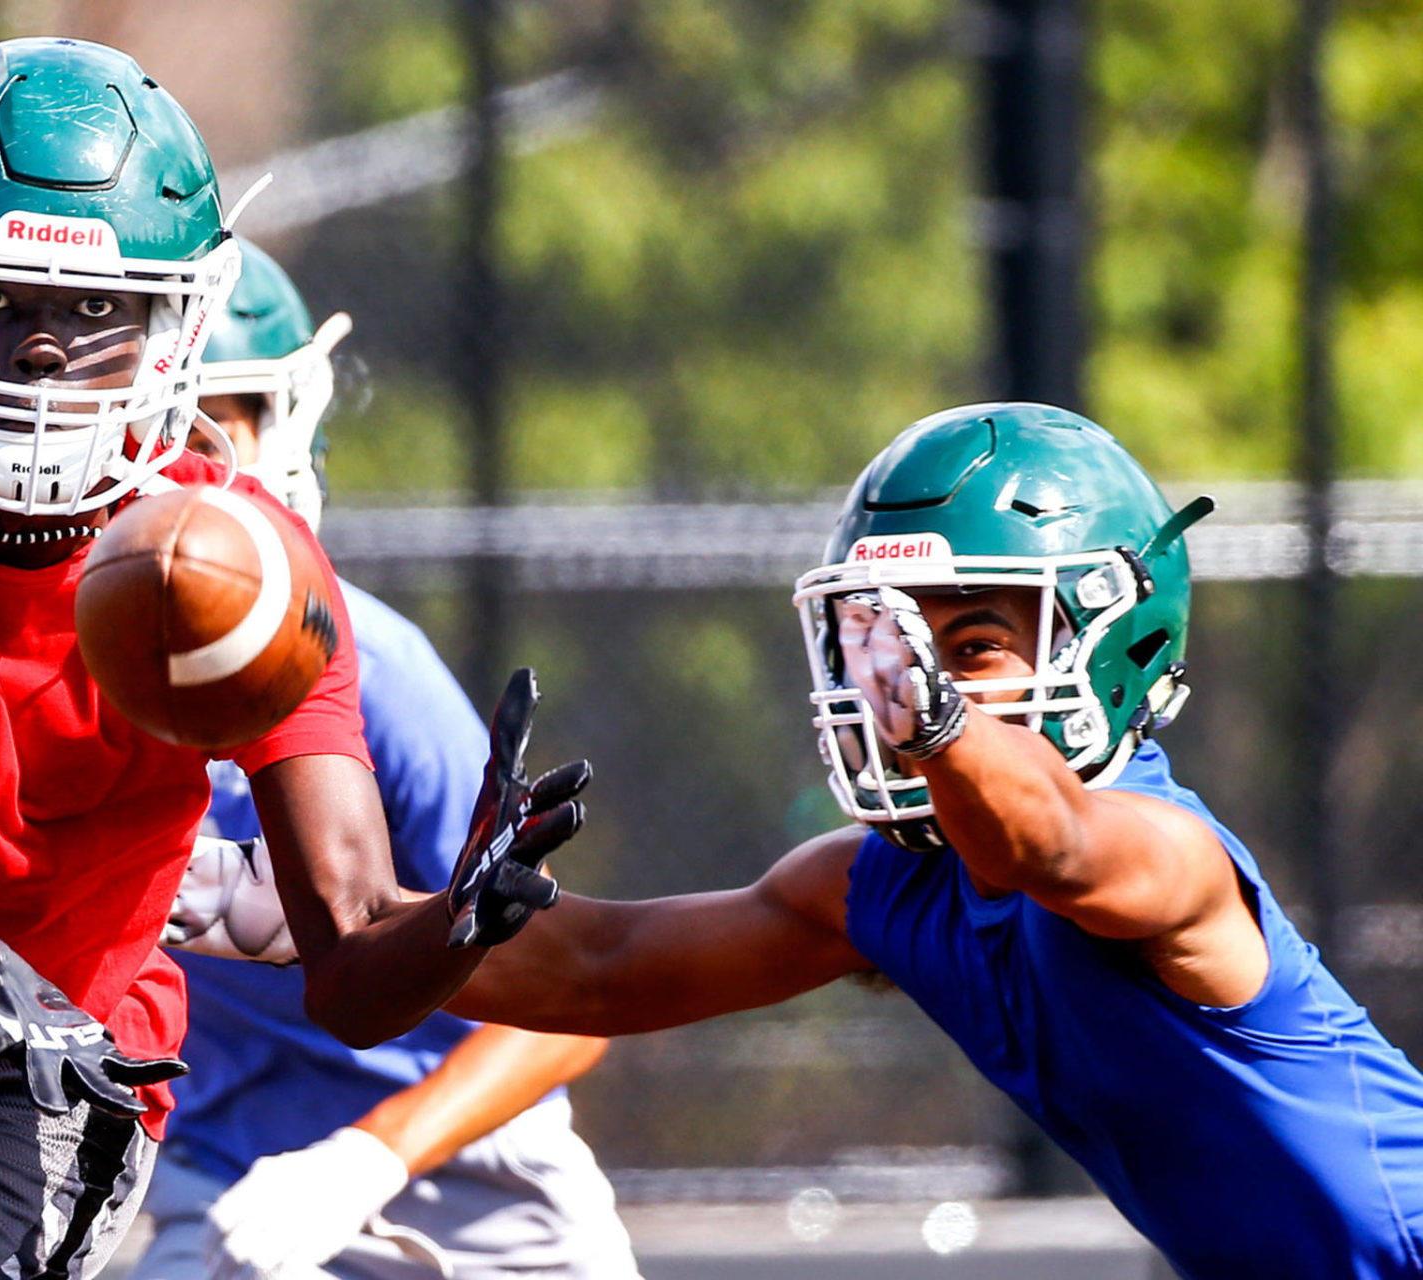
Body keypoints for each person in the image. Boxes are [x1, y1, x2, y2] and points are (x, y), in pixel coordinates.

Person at [0, 39, 579, 1280]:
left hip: (33, 1082)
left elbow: (348, 954)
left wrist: (458, 918)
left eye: (95, 309)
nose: (41, 351)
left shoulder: (241, 563)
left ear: (175, 324)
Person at [445, 402, 1423, 1280]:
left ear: (1116, 646)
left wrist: (940, 725)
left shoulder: (1170, 854)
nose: (906, 682)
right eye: (891, 643)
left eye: (972, 647)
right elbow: (602, 968)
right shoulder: (891, 881)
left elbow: (1050, 844)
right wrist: (347, 919)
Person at [129, 243, 641, 1280]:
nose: (192, 470)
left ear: (285, 426)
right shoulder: (43, 671)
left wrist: (367, 1156)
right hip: (221, 1183)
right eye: (156, 428)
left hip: (468, 1179)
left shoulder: (371, 671)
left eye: (212, 426)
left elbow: (568, 1011)